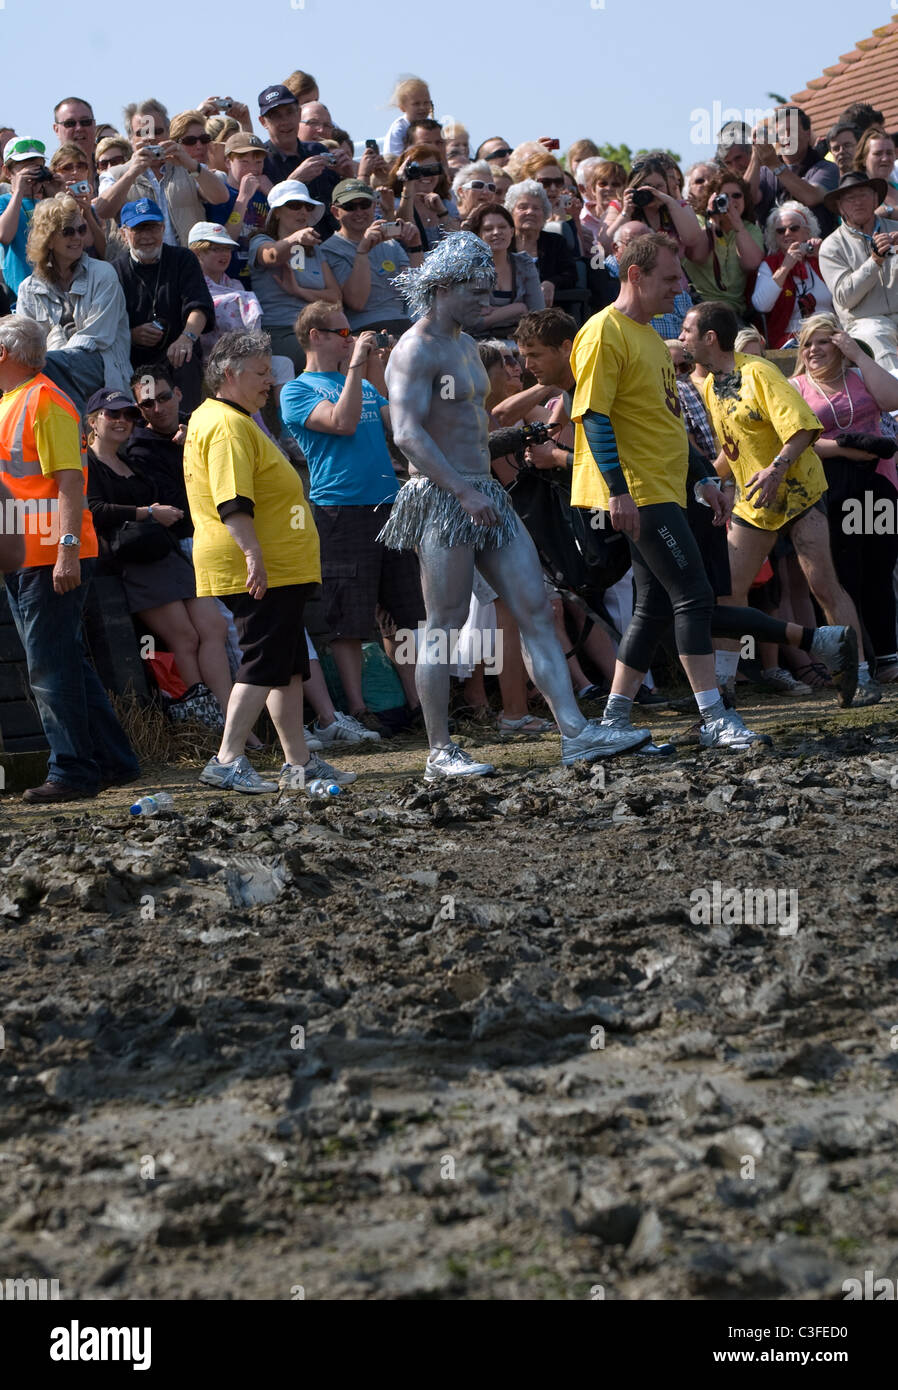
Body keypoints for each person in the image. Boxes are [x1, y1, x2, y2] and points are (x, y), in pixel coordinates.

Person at [376, 231, 649, 778]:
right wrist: (461, 489)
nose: (487, 302)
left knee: (537, 608)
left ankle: (575, 733)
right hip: (442, 496)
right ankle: (440, 752)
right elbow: (407, 434)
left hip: (485, 491)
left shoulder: (463, 344)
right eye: (476, 292)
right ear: (443, 286)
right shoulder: (415, 349)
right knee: (445, 622)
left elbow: (472, 424)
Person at [569, 235, 856, 751]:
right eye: (670, 279)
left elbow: (666, 423)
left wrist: (703, 475)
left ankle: (611, 725)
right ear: (635, 276)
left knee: (655, 605)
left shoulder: (653, 340)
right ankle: (715, 715)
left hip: (664, 486)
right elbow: (593, 416)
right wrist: (617, 491)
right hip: (638, 490)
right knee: (695, 597)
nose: (679, 289)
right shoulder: (602, 332)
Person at [680, 298, 877, 706]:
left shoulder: (761, 372)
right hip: (756, 501)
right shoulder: (715, 384)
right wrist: (702, 482)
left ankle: (859, 675)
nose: (680, 338)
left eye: (686, 332)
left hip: (798, 490)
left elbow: (804, 429)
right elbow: (730, 453)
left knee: (822, 583)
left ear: (710, 338)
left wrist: (775, 469)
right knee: (730, 592)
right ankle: (722, 687)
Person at [183, 329, 352, 793]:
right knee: (262, 660)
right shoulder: (226, 424)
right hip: (260, 564)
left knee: (287, 664)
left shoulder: (234, 418)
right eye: (260, 374)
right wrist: (254, 554)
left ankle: (299, 763)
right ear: (230, 374)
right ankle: (227, 759)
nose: (269, 384)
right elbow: (232, 499)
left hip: (278, 563)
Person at [0, 315, 139, 802]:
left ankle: (73, 772)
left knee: (50, 667)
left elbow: (70, 482)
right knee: (64, 663)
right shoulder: (19, 401)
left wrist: (66, 553)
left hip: (49, 556)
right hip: (28, 557)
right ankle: (114, 762)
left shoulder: (45, 401)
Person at [281, 300, 425, 734]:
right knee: (349, 618)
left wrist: (395, 363)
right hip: (339, 509)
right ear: (315, 336)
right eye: (343, 333)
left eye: (352, 333)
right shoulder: (296, 390)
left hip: (386, 503)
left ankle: (419, 704)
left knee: (403, 612)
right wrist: (358, 365)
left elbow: (396, 420)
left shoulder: (358, 379)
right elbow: (342, 423)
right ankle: (360, 711)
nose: (352, 339)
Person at [85, 386, 236, 724]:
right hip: (136, 562)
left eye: (129, 415)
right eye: (114, 414)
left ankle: (232, 716)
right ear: (93, 421)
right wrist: (148, 513)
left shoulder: (130, 461)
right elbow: (94, 509)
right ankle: (206, 719)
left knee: (214, 628)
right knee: (185, 636)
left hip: (167, 555)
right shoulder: (87, 463)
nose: (123, 420)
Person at [791, 314, 898, 683]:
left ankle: (887, 657)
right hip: (827, 488)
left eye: (823, 341)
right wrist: (843, 450)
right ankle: (855, 662)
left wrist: (859, 355)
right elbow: (793, 441)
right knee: (841, 574)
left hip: (876, 488)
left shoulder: (858, 376)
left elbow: (893, 397)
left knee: (879, 571)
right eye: (807, 343)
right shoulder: (795, 387)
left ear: (839, 344)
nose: (814, 349)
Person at [15, 194, 132, 412]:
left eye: (82, 230)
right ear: (49, 239)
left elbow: (98, 336)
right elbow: (27, 344)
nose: (77, 237)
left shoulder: (103, 274)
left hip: (102, 364)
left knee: (42, 371)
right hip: (54, 371)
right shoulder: (28, 289)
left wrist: (55, 356)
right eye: (68, 232)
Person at [116, 197, 214, 412]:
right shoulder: (115, 271)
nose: (147, 237)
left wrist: (186, 338)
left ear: (162, 228)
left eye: (152, 228)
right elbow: (109, 327)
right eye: (139, 230)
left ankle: (187, 428)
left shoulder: (183, 258)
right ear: (124, 234)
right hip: (138, 360)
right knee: (151, 402)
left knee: (185, 361)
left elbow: (199, 305)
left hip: (178, 352)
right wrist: (132, 334)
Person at [95, 100, 229, 247]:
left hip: (185, 263)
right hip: (136, 266)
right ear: (130, 139)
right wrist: (131, 173)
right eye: (142, 133)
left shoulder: (188, 168)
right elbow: (102, 211)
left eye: (157, 131)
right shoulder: (114, 174)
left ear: (168, 133)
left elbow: (221, 196)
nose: (150, 138)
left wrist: (188, 162)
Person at [247, 180, 340, 371]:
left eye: (308, 206)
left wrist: (299, 291)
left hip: (316, 330)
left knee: (360, 350)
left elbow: (336, 297)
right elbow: (272, 256)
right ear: (277, 212)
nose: (304, 212)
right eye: (295, 205)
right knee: (330, 355)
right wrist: (294, 239)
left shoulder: (314, 250)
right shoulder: (260, 240)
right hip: (279, 331)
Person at [818, 172, 898, 374]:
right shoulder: (831, 247)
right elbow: (844, 298)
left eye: (863, 195)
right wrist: (875, 261)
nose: (858, 202)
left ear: (875, 199)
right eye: (850, 198)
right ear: (840, 207)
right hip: (865, 322)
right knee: (877, 339)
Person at [319, 178, 421, 334]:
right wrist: (362, 251)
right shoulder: (329, 250)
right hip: (366, 329)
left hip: (405, 324)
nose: (359, 212)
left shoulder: (390, 243)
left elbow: (417, 292)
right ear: (335, 212)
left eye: (365, 205)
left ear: (374, 206)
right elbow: (357, 302)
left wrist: (415, 246)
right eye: (350, 207)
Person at [257, 83, 347, 232]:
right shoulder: (260, 161)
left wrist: (348, 175)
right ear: (263, 122)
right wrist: (295, 181)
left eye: (289, 112)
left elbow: (342, 204)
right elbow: (265, 219)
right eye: (276, 116)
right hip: (291, 248)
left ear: (299, 114)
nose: (285, 121)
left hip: (331, 245)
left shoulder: (318, 150)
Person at [682, 170, 763, 320]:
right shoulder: (697, 222)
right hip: (698, 307)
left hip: (733, 312)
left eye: (737, 196)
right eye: (724, 197)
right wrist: (712, 221)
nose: (731, 201)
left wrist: (737, 225)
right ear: (712, 198)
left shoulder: (749, 228)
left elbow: (751, 264)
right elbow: (697, 256)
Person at [751, 104, 840, 238]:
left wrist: (776, 166)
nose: (786, 136)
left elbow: (811, 196)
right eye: (781, 132)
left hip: (814, 253)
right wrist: (756, 155)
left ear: (807, 133)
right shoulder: (765, 172)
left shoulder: (826, 168)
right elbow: (745, 200)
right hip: (773, 256)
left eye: (791, 131)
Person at [752, 202, 832, 348]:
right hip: (791, 338)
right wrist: (785, 266)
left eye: (794, 228)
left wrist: (824, 257)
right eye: (780, 231)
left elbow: (843, 296)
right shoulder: (770, 264)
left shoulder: (822, 256)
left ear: (807, 232)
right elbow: (761, 305)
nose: (787, 233)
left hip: (829, 332)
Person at [463, 203, 544, 338]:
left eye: (502, 227)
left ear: (511, 231)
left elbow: (538, 315)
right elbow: (474, 323)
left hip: (521, 342)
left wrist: (498, 313)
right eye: (488, 229)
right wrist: (519, 308)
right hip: (480, 344)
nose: (496, 232)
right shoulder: (476, 268)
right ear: (479, 235)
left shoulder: (524, 264)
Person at [0, 137, 60, 301]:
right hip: (20, 297)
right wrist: (19, 191)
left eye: (38, 169)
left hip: (54, 293)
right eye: (26, 169)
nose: (33, 175)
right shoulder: (4, 202)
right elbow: (4, 236)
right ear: (7, 172)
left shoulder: (48, 204)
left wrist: (57, 194)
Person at [505, 180, 576, 308]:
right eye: (523, 207)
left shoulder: (556, 242)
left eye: (536, 208)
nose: (530, 212)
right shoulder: (504, 244)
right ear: (511, 212)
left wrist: (551, 283)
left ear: (544, 214)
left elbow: (571, 274)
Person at [388, 144, 459, 249]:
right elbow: (400, 232)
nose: (427, 176)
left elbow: (458, 243)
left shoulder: (447, 206)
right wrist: (408, 184)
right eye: (418, 170)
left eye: (433, 169)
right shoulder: (393, 204)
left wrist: (442, 213)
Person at [47, 144, 106, 258]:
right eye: (67, 167)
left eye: (81, 166)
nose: (75, 172)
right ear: (55, 174)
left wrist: (88, 213)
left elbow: (104, 253)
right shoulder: (47, 208)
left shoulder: (93, 210)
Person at [382, 77, 433, 158]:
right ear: (402, 107)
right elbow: (392, 158)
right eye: (416, 104)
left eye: (426, 102)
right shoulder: (399, 129)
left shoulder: (432, 126)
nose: (422, 107)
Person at [854, 127, 898, 214]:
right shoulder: (853, 196)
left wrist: (888, 212)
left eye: (889, 153)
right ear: (863, 159)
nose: (885, 159)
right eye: (878, 154)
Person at [52, 98, 97, 173]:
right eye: (70, 123)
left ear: (94, 125)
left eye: (85, 122)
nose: (79, 128)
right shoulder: (47, 182)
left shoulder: (111, 168)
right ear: (56, 129)